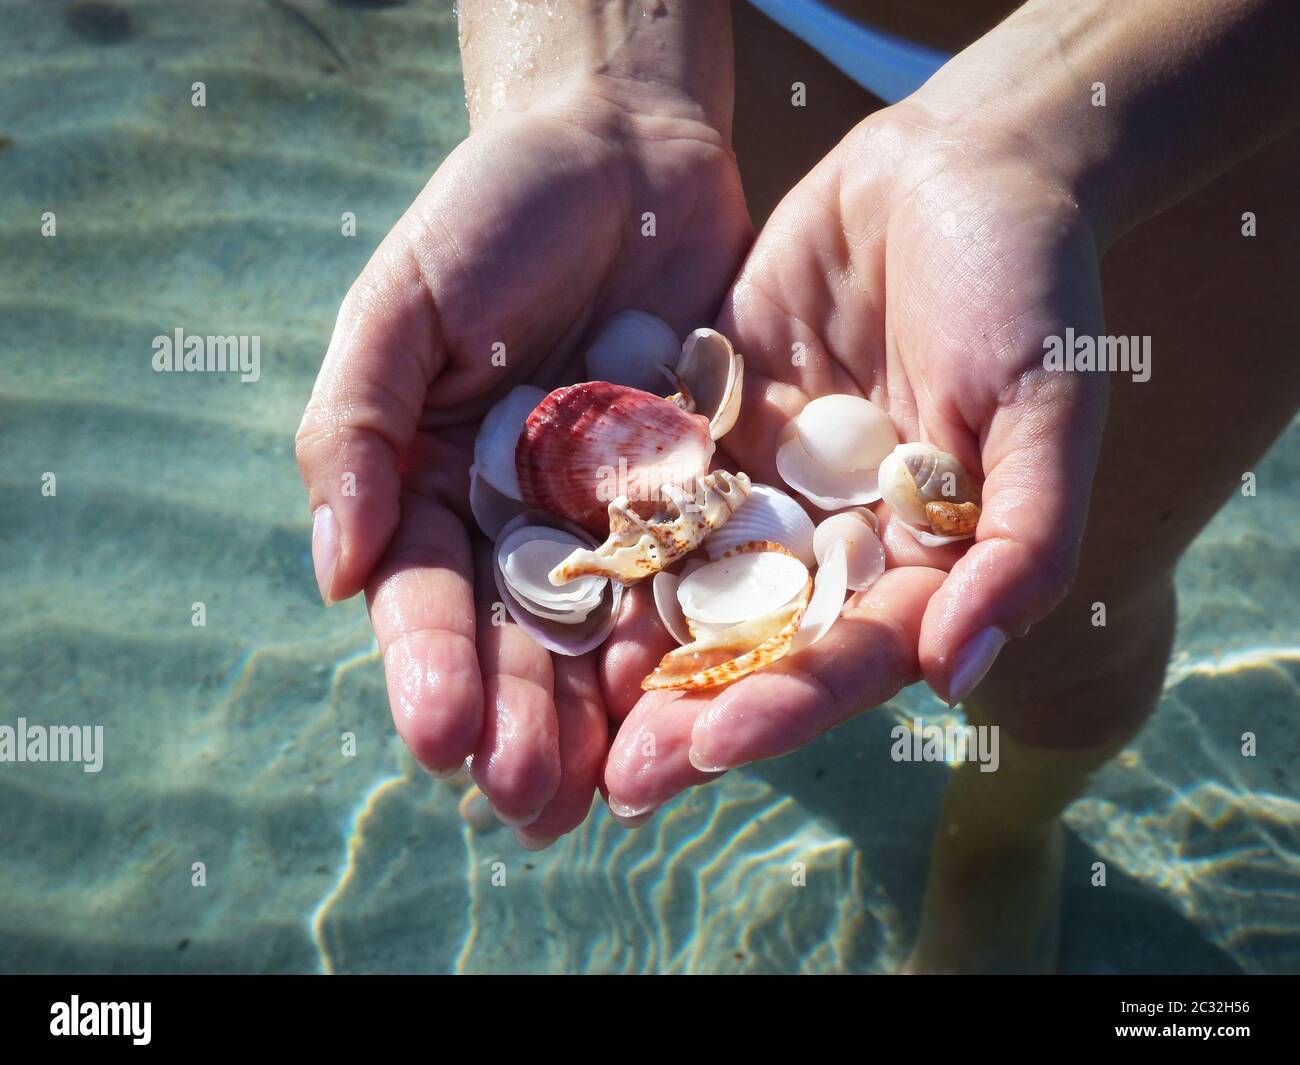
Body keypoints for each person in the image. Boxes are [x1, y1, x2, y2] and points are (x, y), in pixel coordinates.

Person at [294, 0, 1300, 972]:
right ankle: (642, 723)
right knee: (766, 327)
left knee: (1068, 604)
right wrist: (594, 83)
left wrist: (1018, 139)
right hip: (760, 18)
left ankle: (1003, 837)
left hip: (1200, 72)